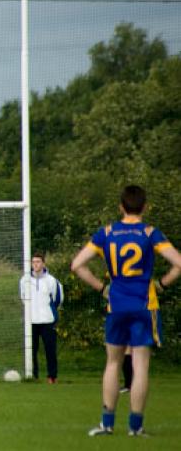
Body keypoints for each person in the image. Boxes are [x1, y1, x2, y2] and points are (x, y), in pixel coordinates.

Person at [70, 185, 181, 437]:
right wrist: (161, 285)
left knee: (112, 363)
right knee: (140, 366)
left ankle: (106, 423)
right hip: (144, 304)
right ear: (145, 206)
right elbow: (178, 264)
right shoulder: (150, 233)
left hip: (116, 304)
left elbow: (77, 264)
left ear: (121, 206)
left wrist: (101, 288)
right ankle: (135, 427)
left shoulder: (106, 233)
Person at [20, 252, 64, 383]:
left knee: (50, 350)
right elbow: (23, 297)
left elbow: (58, 299)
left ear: (43, 263)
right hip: (31, 322)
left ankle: (52, 376)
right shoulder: (24, 280)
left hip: (47, 321)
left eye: (38, 262)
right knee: (31, 350)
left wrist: (49, 312)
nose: (35, 264)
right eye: (33, 262)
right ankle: (33, 376)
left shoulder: (52, 281)